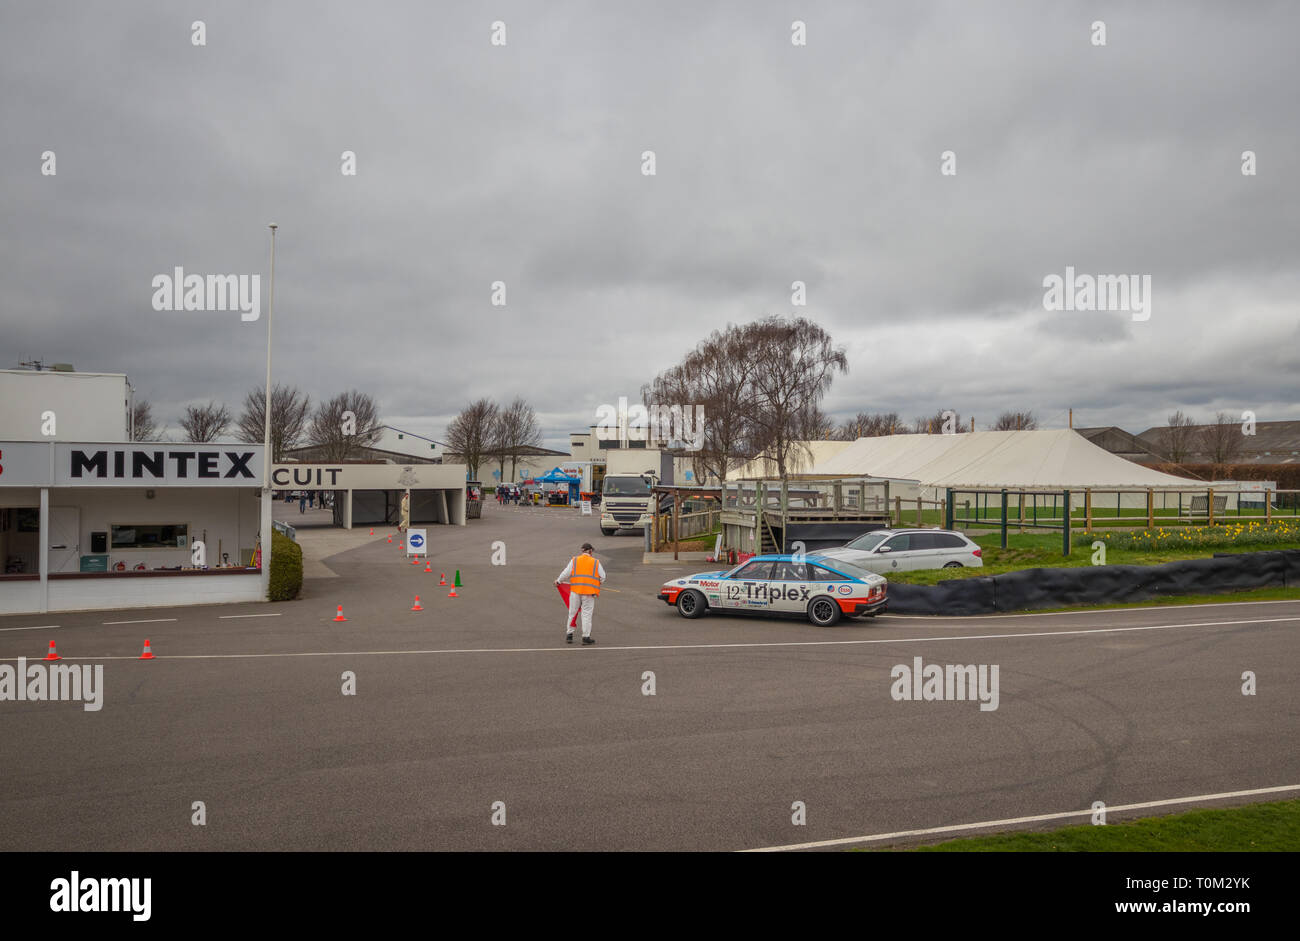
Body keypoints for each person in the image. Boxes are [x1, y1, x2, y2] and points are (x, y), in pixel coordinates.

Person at [555, 542, 605, 645]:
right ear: (590, 551)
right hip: (589, 593)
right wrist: (597, 583)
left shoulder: (575, 560)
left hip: (575, 591)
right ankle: (585, 637)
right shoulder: (595, 562)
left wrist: (558, 581)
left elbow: (566, 572)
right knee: (586, 614)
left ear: (582, 551)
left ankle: (569, 635)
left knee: (572, 612)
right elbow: (603, 576)